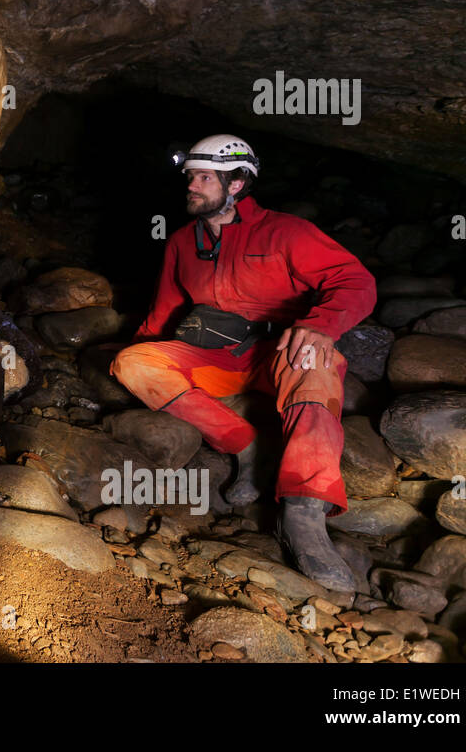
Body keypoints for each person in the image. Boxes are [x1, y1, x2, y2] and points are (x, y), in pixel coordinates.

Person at [110, 134, 376, 592]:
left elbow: (356, 281)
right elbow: (165, 310)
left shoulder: (284, 232)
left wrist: (320, 326)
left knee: (317, 366)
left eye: (204, 177)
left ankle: (304, 511)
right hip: (220, 356)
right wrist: (138, 354)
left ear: (236, 184)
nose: (192, 185)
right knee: (133, 363)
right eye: (190, 175)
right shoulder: (180, 242)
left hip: (281, 355)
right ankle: (246, 445)